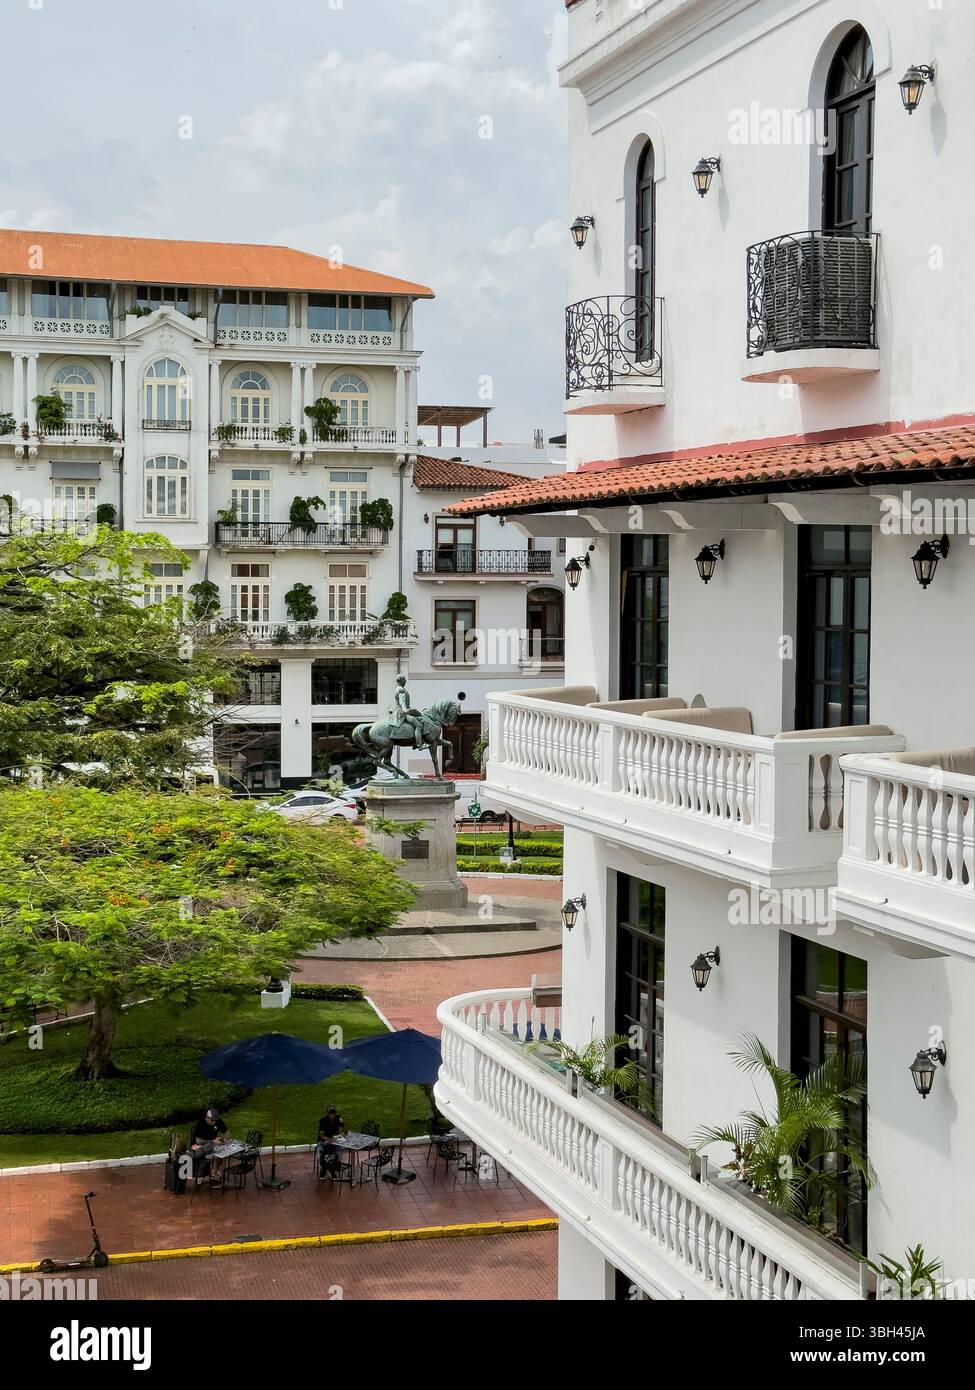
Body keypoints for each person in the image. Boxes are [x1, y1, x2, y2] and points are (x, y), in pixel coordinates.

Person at [192, 1105, 230, 1185]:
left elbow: (227, 1132)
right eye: (212, 1120)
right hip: (200, 1144)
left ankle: (214, 1172)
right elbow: (198, 1141)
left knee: (222, 1152)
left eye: (215, 1120)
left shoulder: (217, 1120)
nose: (214, 1122)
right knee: (204, 1156)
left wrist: (225, 1139)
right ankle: (200, 1176)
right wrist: (212, 1142)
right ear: (207, 1118)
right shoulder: (201, 1123)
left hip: (213, 1143)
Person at [389, 675, 425, 750]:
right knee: (417, 725)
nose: (405, 681)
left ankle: (415, 742)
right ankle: (419, 745)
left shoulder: (398, 688)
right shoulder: (401, 690)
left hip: (401, 710)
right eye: (404, 680)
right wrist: (407, 710)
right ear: (401, 681)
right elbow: (402, 702)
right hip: (402, 712)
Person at [317, 1105, 347, 1174]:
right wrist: (327, 1139)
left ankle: (335, 1165)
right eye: (330, 1113)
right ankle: (323, 1167)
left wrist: (344, 1125)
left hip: (334, 1141)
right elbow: (321, 1135)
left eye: (334, 1113)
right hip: (324, 1140)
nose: (332, 1115)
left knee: (339, 1150)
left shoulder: (338, 1118)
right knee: (321, 1151)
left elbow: (345, 1131)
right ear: (327, 1113)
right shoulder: (323, 1120)